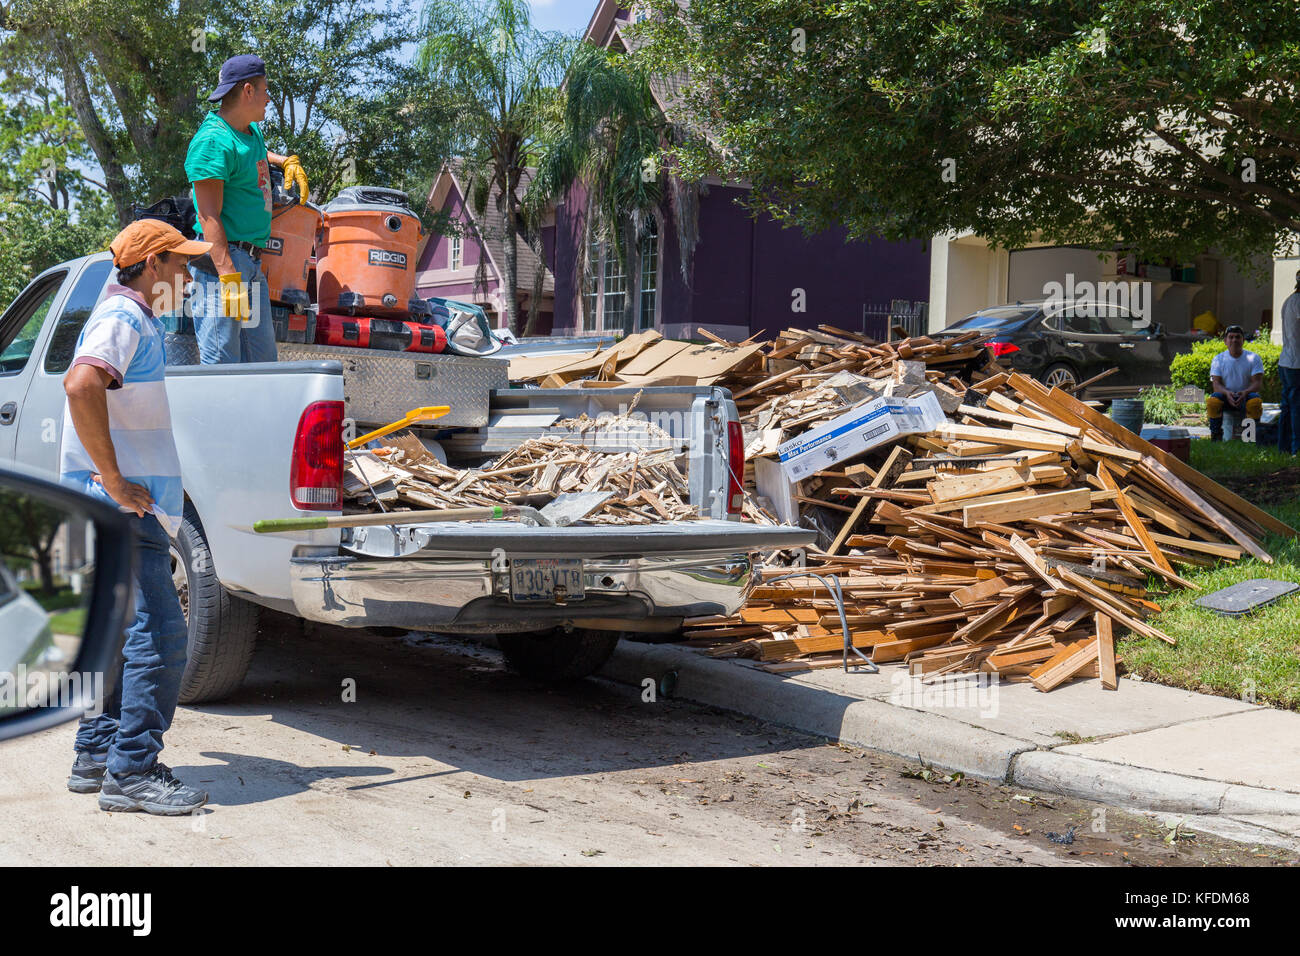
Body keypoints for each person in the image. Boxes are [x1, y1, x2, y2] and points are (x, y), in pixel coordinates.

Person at [61, 219, 212, 815]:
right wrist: (116, 479)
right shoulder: (123, 316)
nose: (187, 273)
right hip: (122, 508)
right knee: (160, 637)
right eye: (180, 262)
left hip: (110, 509)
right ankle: (133, 772)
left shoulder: (127, 314)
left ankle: (97, 753)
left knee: (120, 637)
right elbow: (81, 386)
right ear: (152, 265)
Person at [184, 54, 309, 364]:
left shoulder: (249, 131)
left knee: (263, 364)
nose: (269, 97)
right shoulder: (212, 142)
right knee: (222, 364)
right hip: (221, 266)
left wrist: (284, 161)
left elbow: (252, 152)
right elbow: (208, 215)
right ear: (248, 91)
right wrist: (228, 277)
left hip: (251, 263)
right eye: (265, 90)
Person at [1206, 325, 1264, 442]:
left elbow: (1257, 384)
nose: (1234, 340)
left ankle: (1251, 438)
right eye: (1231, 337)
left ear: (1243, 340)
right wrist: (1227, 393)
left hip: (1246, 396)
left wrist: (1245, 392)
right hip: (1226, 396)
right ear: (1225, 341)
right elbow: (1216, 385)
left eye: (1238, 337)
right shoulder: (1218, 359)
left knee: (1255, 402)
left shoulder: (1254, 358)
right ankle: (1216, 436)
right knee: (1213, 402)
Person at [1278, 272, 1300, 455]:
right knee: (1296, 407)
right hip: (1296, 364)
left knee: (1287, 406)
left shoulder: (1288, 300)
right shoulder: (1298, 301)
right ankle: (1296, 448)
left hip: (1286, 362)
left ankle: (1283, 447)